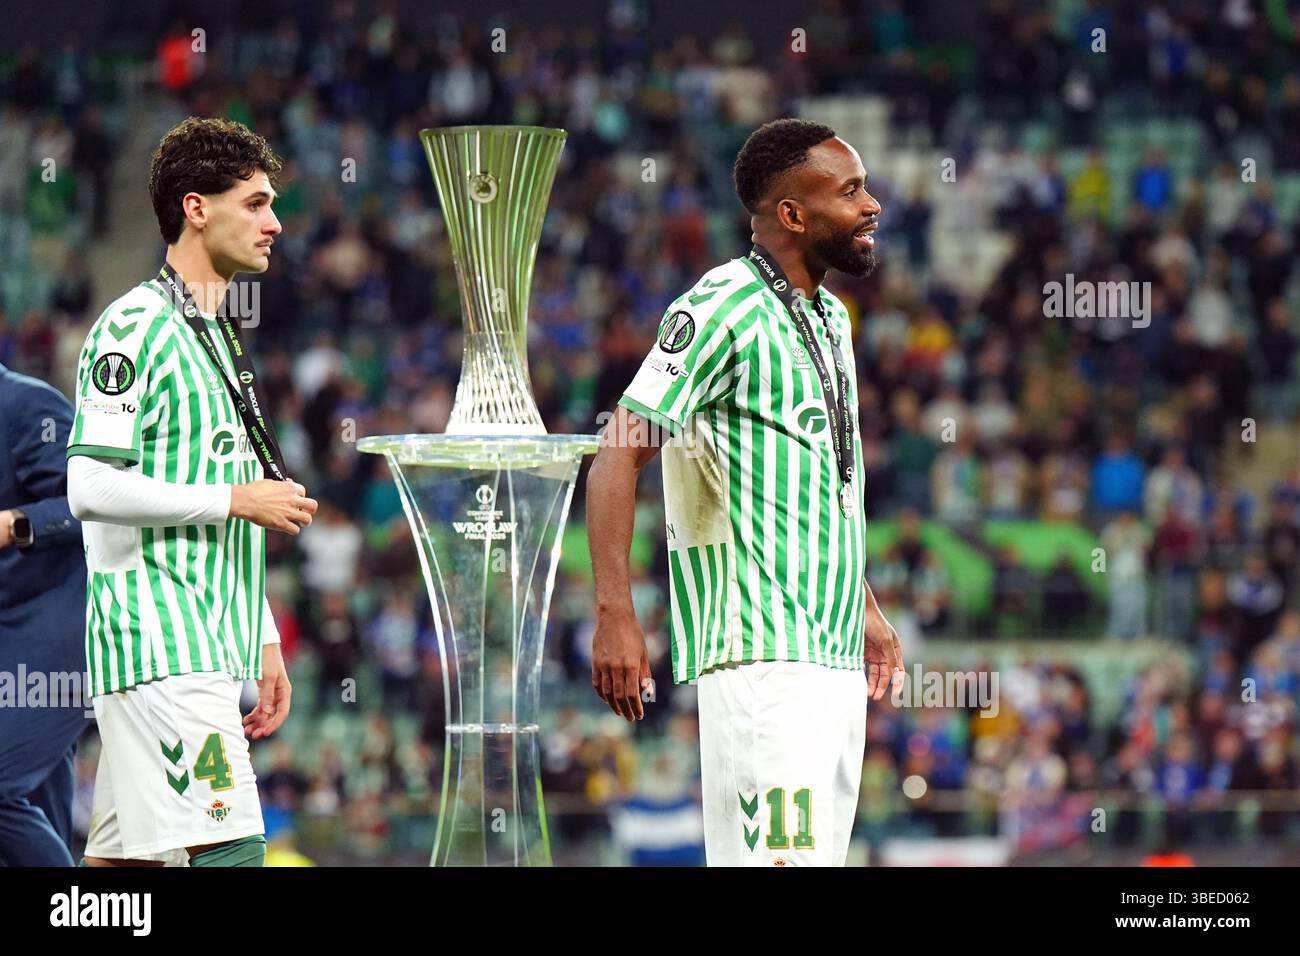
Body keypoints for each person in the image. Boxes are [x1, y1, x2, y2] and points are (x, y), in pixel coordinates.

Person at [586, 118, 902, 866]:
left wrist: (863, 606)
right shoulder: (722, 306)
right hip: (760, 658)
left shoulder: (832, 320)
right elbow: (616, 452)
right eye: (850, 190)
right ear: (792, 214)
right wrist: (615, 612)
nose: (872, 205)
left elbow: (821, 483)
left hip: (829, 658)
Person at [66, 117, 318, 867]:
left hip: (205, 642)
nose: (274, 223)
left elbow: (214, 508)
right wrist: (236, 499)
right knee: (233, 853)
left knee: (119, 874)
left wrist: (264, 637)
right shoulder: (132, 327)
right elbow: (88, 485)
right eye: (256, 203)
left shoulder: (217, 336)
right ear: (196, 208)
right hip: (158, 643)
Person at [0, 364, 89, 865]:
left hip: (61, 632)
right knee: (37, 801)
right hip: (13, 637)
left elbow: (102, 500)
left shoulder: (24, 404)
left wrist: (21, 522)